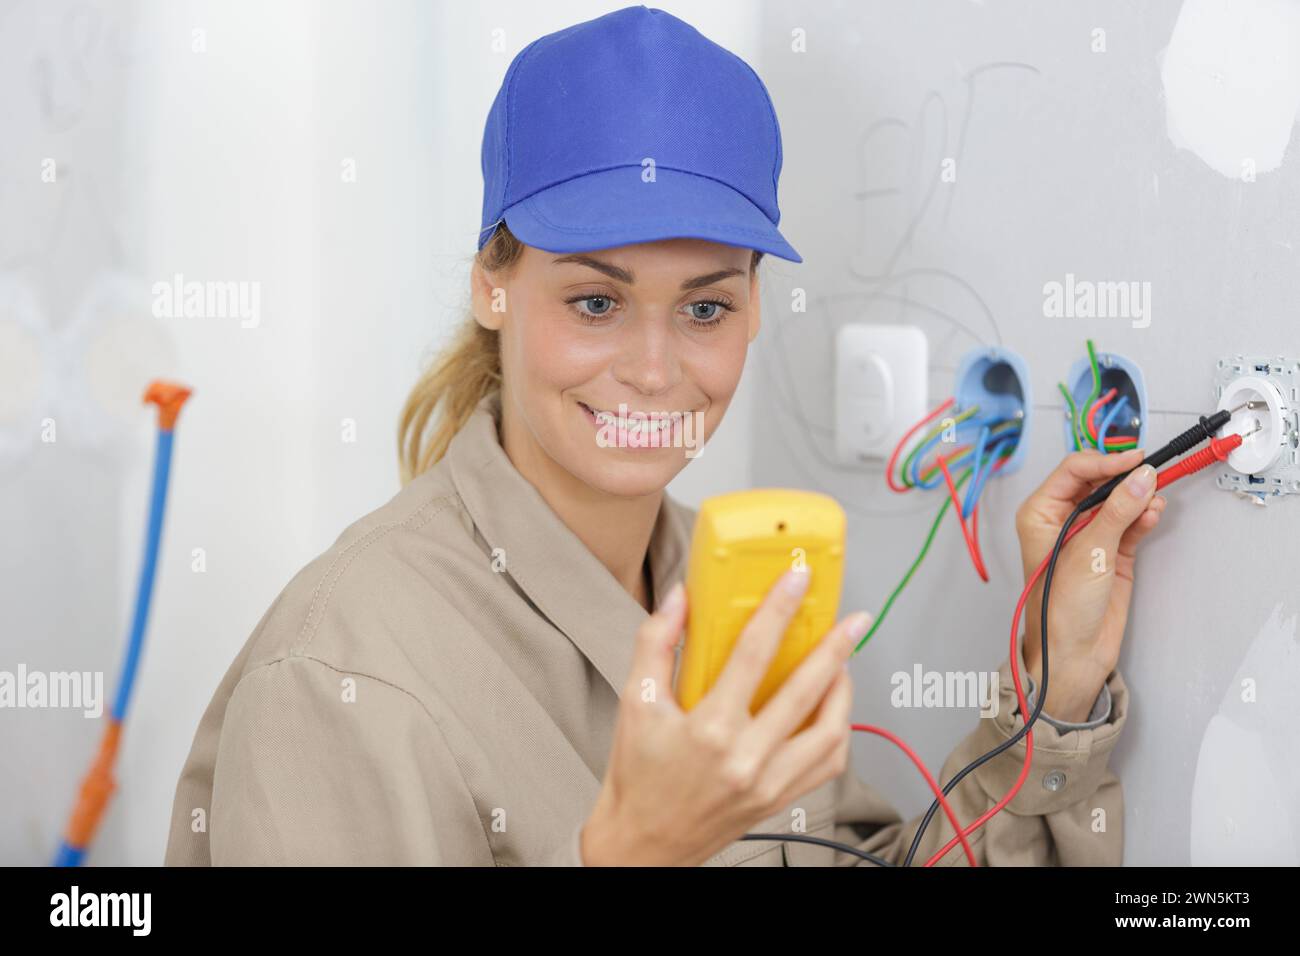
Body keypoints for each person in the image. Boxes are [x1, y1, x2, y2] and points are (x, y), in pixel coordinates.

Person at [164, 5, 1164, 867]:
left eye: (703, 308)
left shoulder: (730, 588)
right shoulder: (343, 676)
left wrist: (1052, 687)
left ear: (755, 306)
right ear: (492, 284)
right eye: (595, 301)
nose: (653, 367)